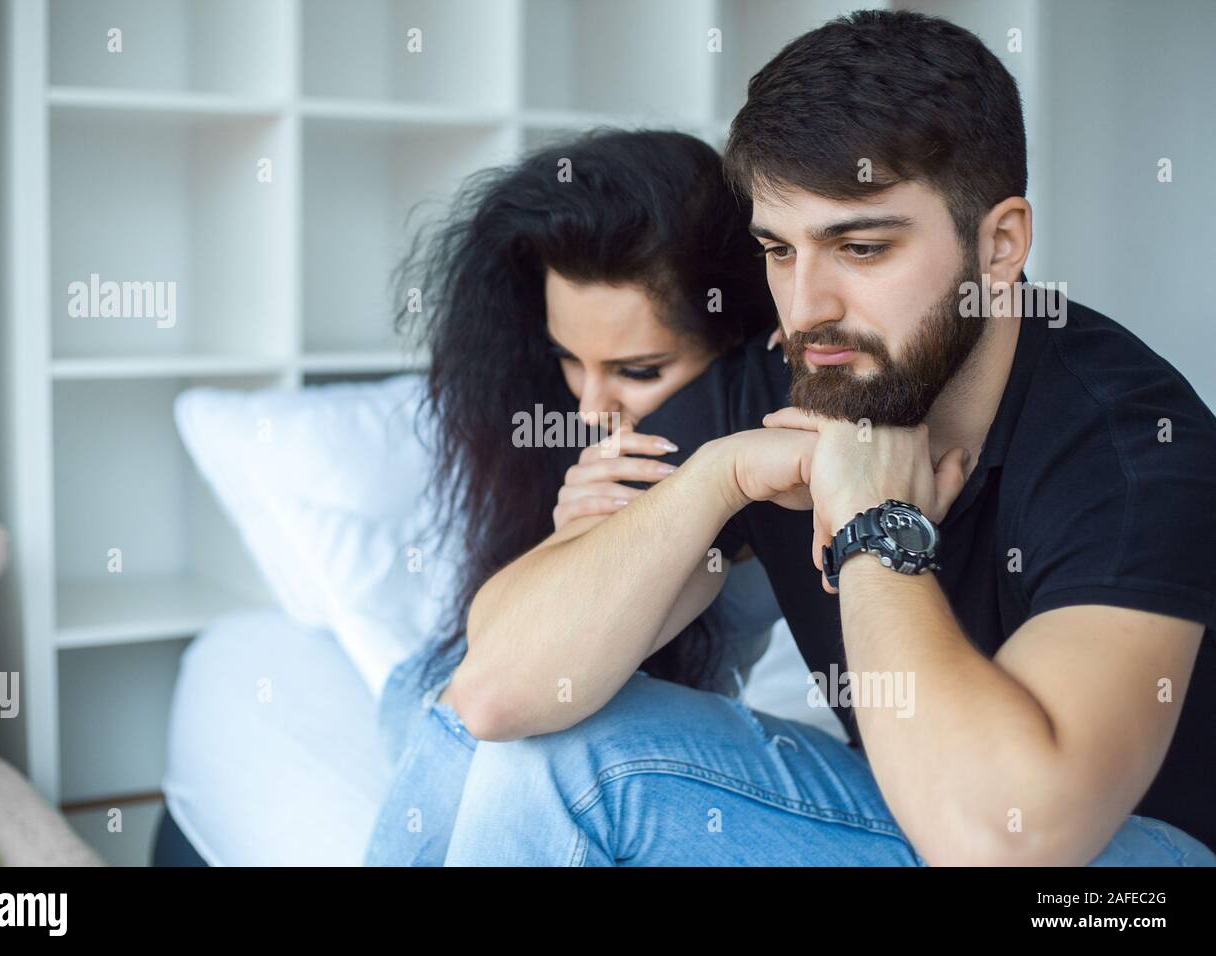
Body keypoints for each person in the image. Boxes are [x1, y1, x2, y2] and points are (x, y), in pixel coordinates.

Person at [437, 10, 1216, 866]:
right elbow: (490, 692)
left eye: (861, 247)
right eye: (779, 249)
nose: (806, 308)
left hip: (1121, 876)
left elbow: (1008, 837)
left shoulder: (1138, 449)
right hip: (904, 804)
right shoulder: (782, 382)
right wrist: (718, 475)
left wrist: (875, 524)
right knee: (549, 754)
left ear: (999, 245)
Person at [364, 129, 782, 865]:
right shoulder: (582, 444)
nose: (590, 409)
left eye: (639, 369)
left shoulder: (769, 432)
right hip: (443, 691)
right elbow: (492, 693)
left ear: (742, 340)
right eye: (568, 360)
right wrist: (573, 539)